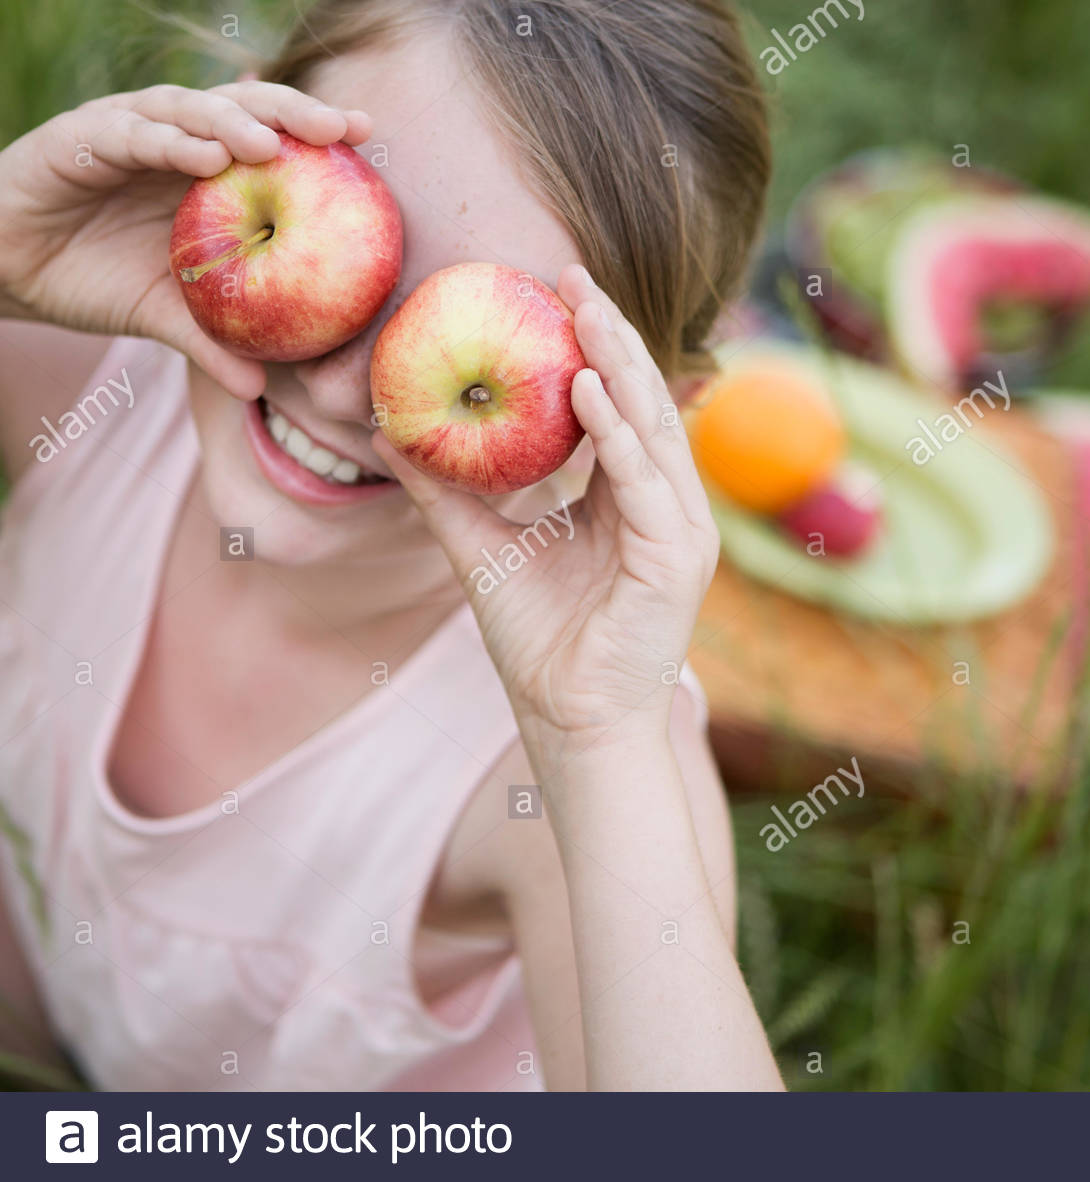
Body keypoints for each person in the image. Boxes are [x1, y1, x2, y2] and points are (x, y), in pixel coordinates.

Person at [0, 0, 782, 1091]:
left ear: (650, 422)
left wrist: (595, 745)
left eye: (458, 339)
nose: (336, 388)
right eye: (339, 250)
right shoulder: (90, 399)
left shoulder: (559, 770)